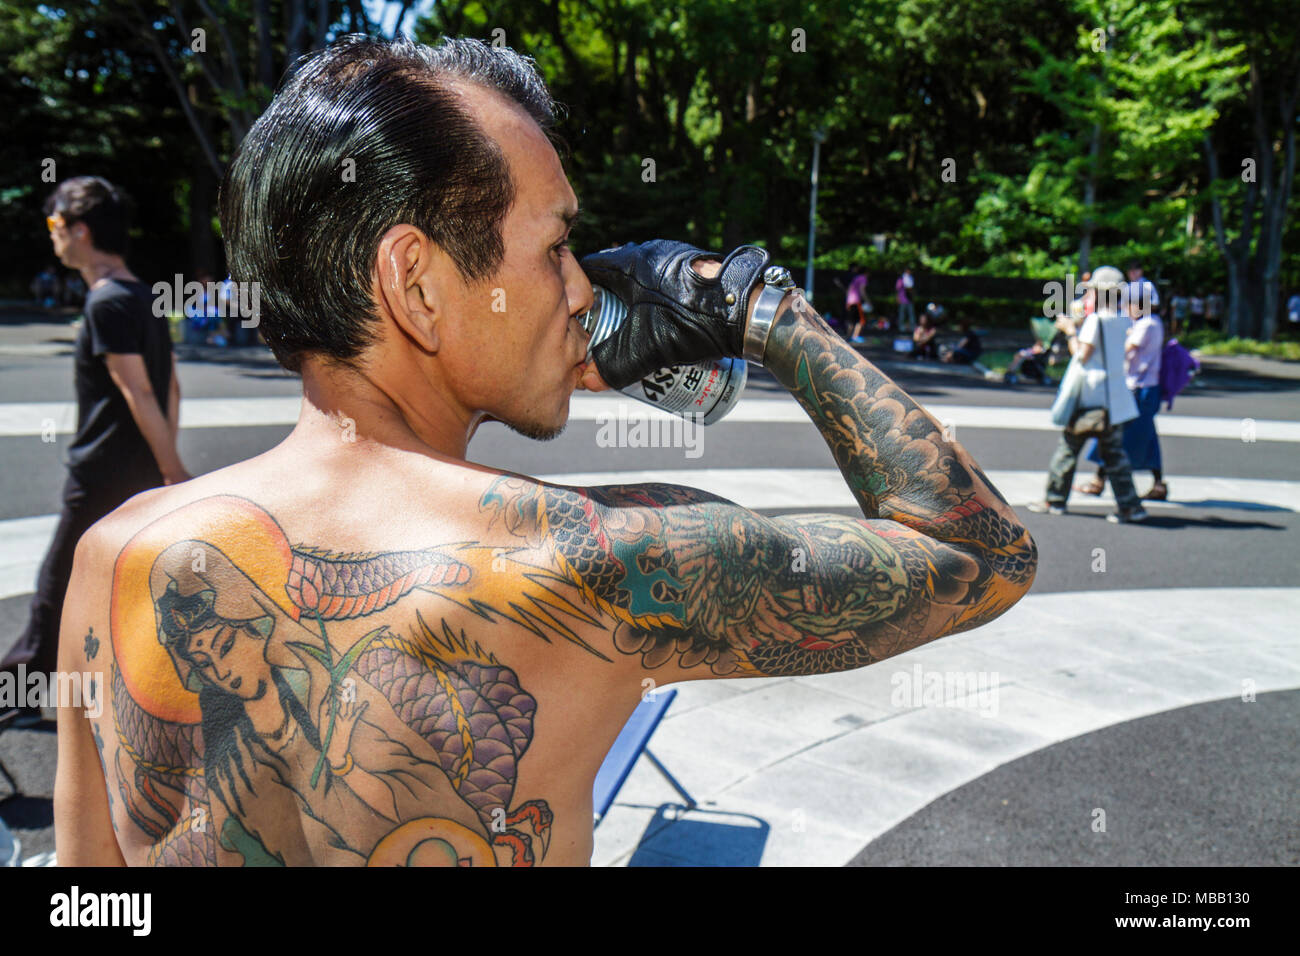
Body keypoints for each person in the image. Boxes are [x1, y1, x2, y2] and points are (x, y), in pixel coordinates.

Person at [54, 35, 1036, 867]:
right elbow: (981, 554)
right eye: (556, 246)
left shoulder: (115, 556)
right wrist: (764, 312)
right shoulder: (593, 561)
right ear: (418, 282)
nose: (582, 290)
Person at [2, 177, 190, 724]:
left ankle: (15, 694)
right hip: (134, 470)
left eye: (55, 226)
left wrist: (173, 468)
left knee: (57, 583)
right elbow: (170, 388)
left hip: (100, 470)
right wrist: (164, 460)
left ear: (81, 231)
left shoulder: (106, 303)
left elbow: (139, 391)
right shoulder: (144, 296)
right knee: (118, 584)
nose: (53, 238)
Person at [1028, 266, 1146, 523]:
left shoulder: (1096, 320)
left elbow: (1082, 355)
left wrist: (1071, 331)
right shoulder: (1123, 319)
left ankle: (1055, 499)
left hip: (1090, 397)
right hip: (1115, 398)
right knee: (1115, 455)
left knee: (1068, 448)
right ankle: (1130, 505)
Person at [1076, 298, 1167, 500]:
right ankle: (1158, 483)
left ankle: (1101, 482)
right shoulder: (1154, 323)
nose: (1126, 308)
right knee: (1145, 436)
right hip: (1145, 388)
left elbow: (1125, 349)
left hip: (1139, 389)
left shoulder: (1147, 324)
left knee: (1114, 433)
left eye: (1130, 304)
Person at [845, 263, 870, 342]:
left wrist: (847, 301)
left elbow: (849, 289)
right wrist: (867, 301)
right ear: (866, 272)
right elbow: (862, 291)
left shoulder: (855, 278)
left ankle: (848, 337)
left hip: (850, 301)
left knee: (851, 320)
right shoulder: (863, 278)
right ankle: (855, 336)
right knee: (861, 320)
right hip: (856, 301)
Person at [895, 266, 916, 333]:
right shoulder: (901, 279)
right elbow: (898, 289)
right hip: (902, 299)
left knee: (911, 314)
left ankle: (912, 328)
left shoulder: (911, 278)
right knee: (902, 314)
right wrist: (898, 298)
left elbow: (911, 288)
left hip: (909, 299)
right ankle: (901, 327)